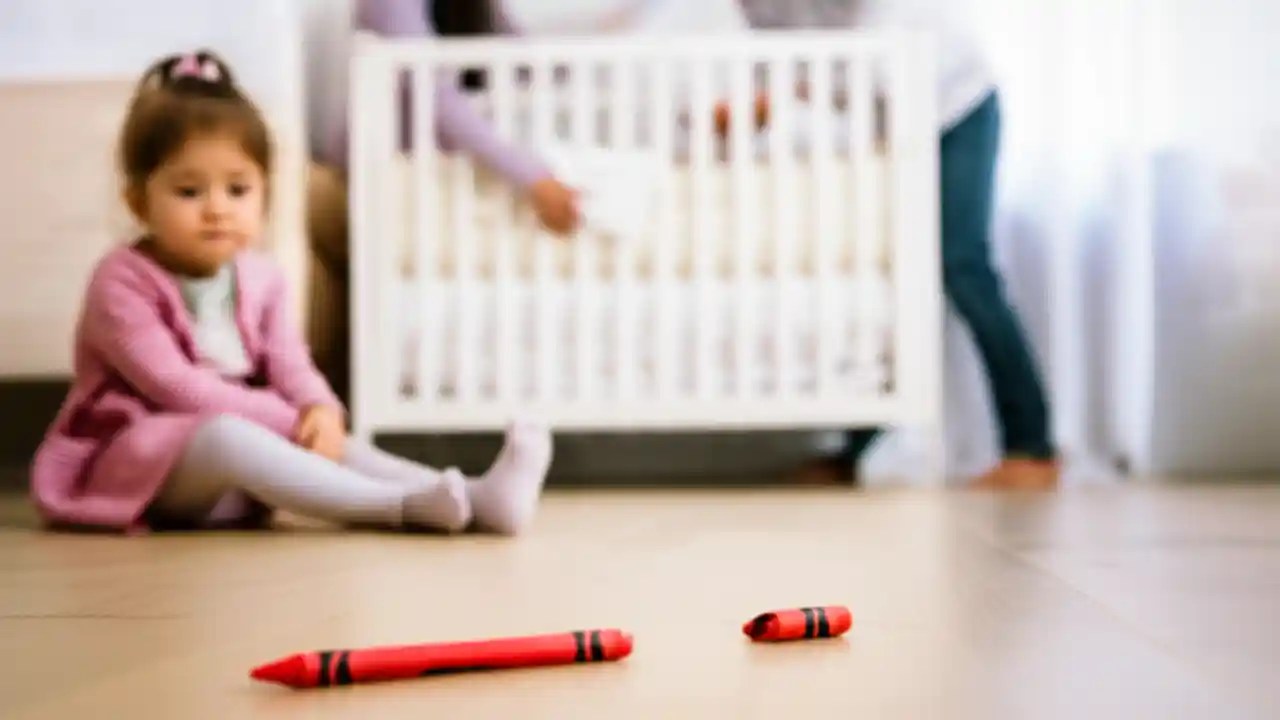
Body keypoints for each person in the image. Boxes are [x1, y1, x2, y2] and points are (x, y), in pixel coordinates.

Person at [29, 50, 552, 535]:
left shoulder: (261, 277)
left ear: (264, 194)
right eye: (189, 191)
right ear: (139, 202)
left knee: (324, 437)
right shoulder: (121, 281)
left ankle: (478, 499)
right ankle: (396, 508)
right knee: (226, 434)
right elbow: (175, 387)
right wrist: (294, 420)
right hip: (140, 470)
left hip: (243, 467)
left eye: (238, 189)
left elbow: (291, 364)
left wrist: (322, 409)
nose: (217, 208)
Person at [738, 0, 1059, 489]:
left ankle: (1032, 447)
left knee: (962, 265)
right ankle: (853, 452)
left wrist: (792, 89)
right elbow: (784, 62)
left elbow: (862, 61)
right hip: (887, 124)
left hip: (954, 109)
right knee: (886, 280)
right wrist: (763, 99)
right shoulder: (756, 7)